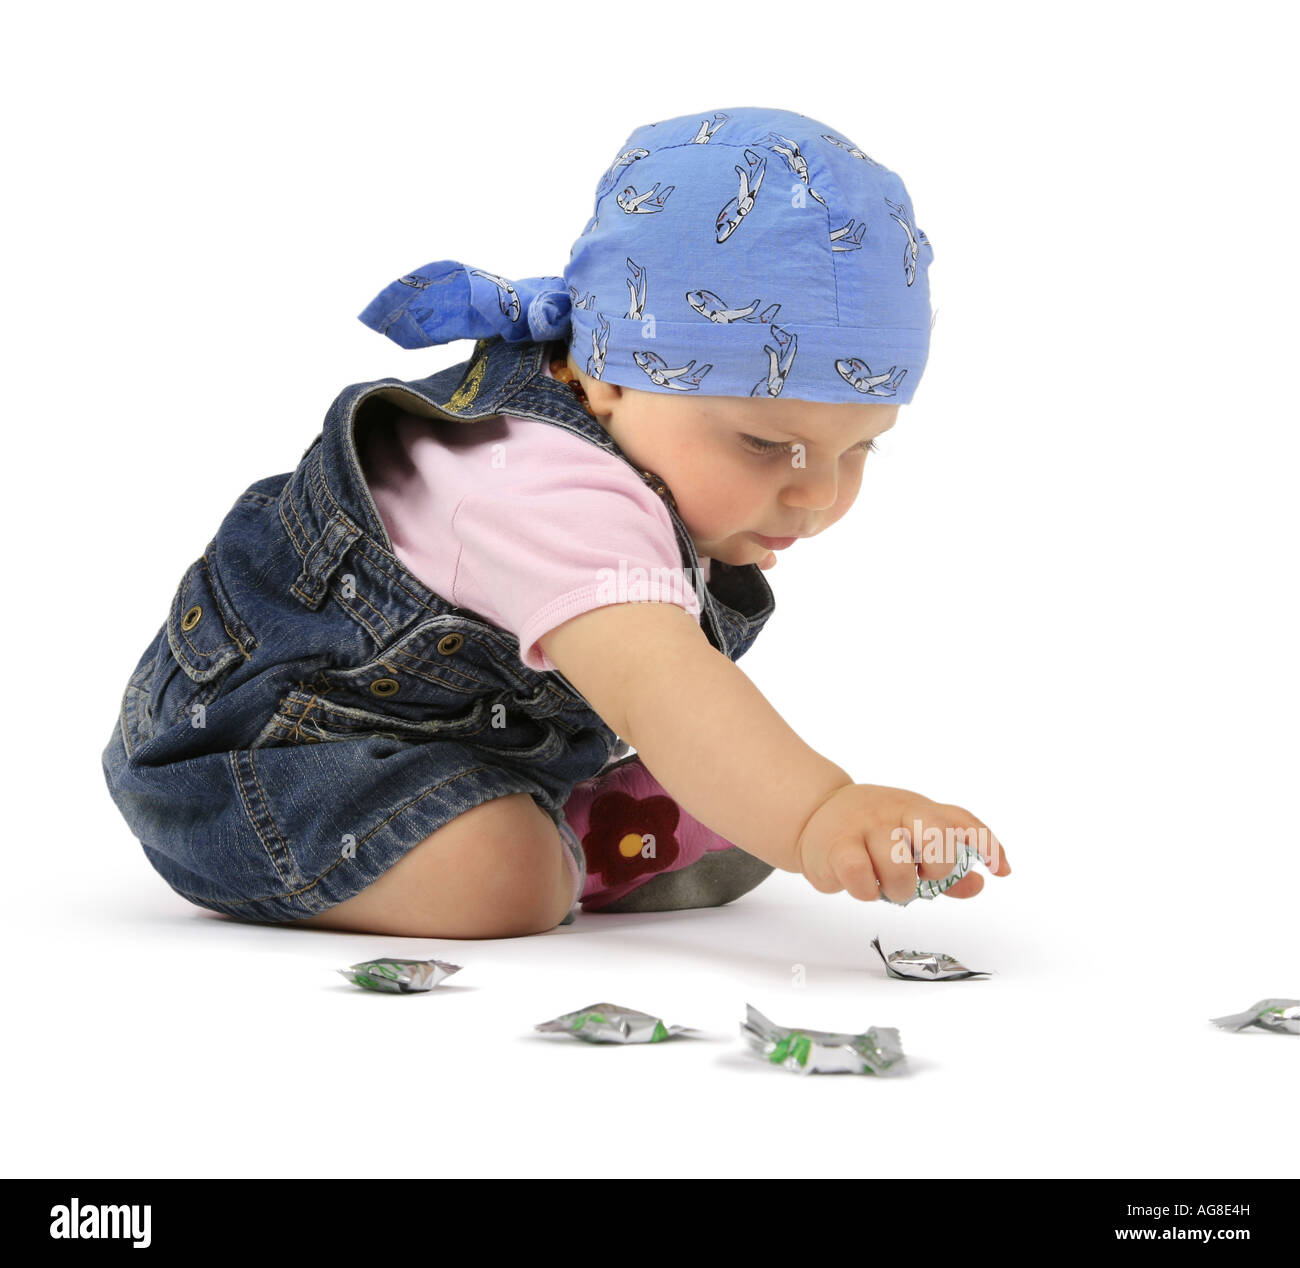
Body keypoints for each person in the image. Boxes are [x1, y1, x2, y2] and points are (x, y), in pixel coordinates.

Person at [101, 105, 1010, 939]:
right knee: (505, 885)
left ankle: (604, 797)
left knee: (728, 771)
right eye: (768, 444)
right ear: (608, 376)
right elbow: (663, 685)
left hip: (448, 727)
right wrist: (821, 813)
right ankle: (576, 832)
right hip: (258, 762)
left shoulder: (629, 416)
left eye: (860, 448)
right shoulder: (543, 487)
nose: (820, 494)